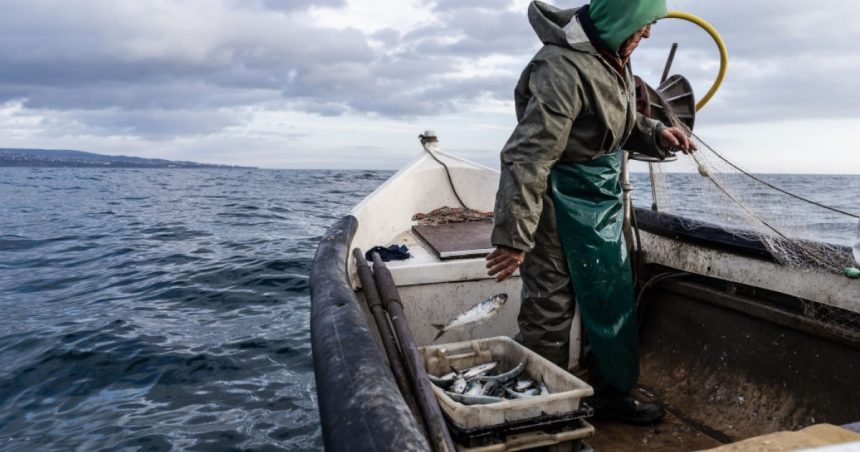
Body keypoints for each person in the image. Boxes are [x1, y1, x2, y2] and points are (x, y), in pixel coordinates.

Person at [486, 0, 696, 424]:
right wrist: (513, 238)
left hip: (600, 198)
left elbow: (615, 122)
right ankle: (542, 408)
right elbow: (528, 156)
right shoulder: (560, 68)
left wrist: (658, 134)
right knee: (549, 306)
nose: (648, 34)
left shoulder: (611, 56)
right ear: (619, 19)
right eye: (644, 24)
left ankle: (610, 394)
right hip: (554, 198)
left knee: (610, 295)